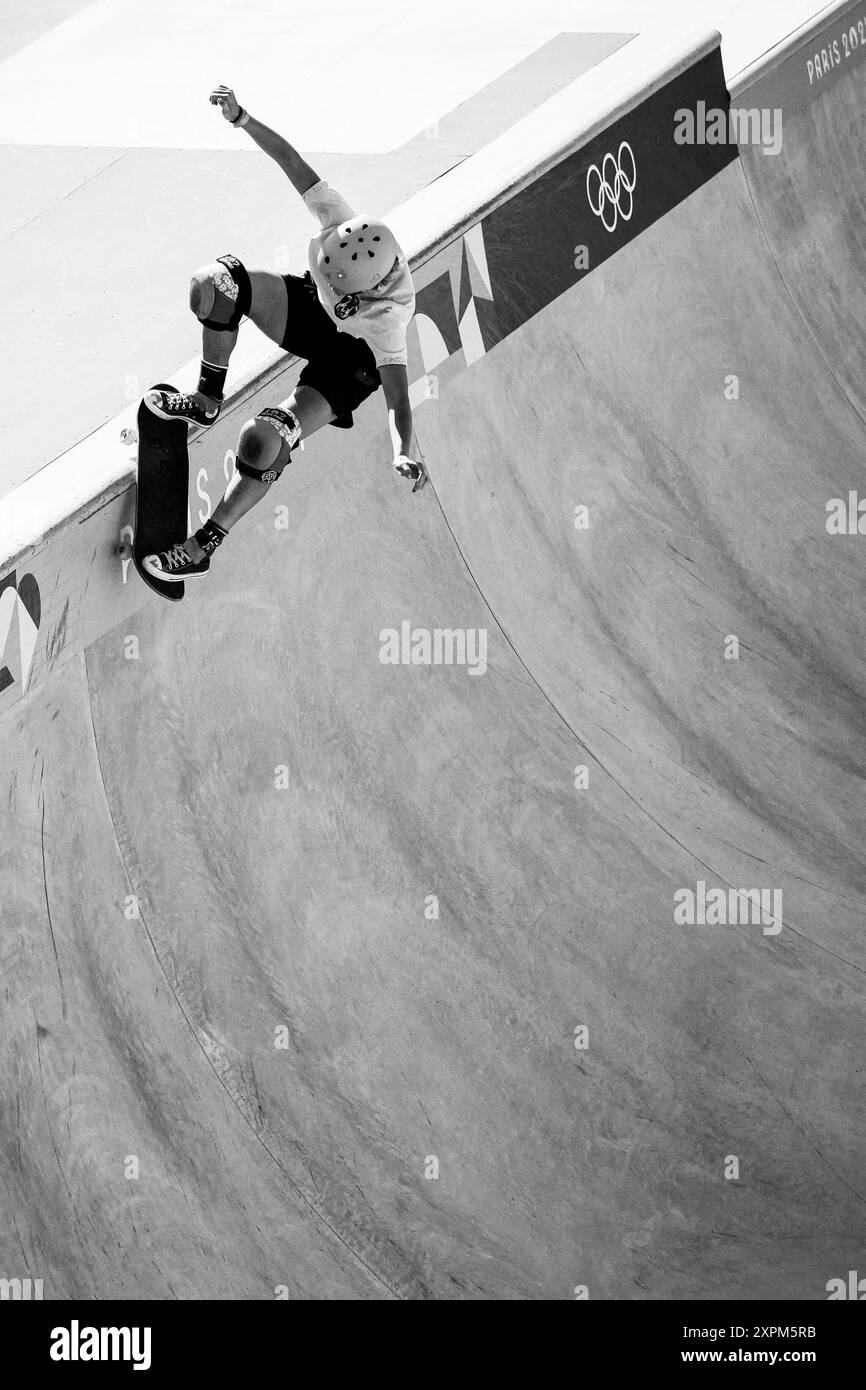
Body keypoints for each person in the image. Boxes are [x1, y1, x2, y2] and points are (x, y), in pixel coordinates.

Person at [143, 84, 426, 583]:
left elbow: (399, 402)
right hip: (317, 316)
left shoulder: (388, 321)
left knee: (264, 439)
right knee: (215, 285)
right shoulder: (345, 222)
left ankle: (202, 547)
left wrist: (403, 450)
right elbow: (290, 159)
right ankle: (207, 401)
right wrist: (242, 117)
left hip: (351, 363)